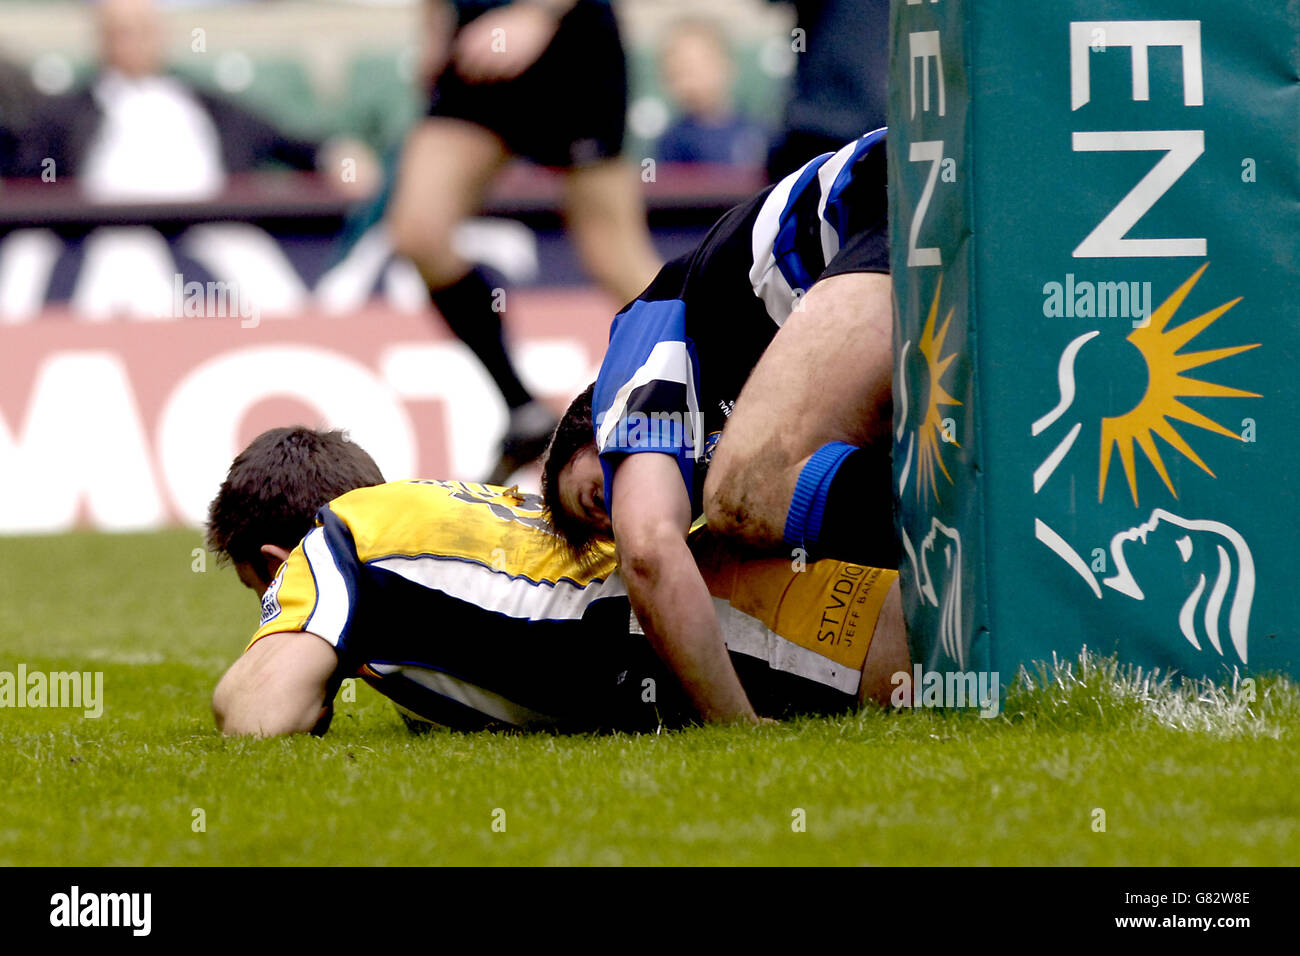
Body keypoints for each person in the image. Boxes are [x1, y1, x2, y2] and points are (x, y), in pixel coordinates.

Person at [206, 426, 907, 737]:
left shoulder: (337, 538)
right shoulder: (429, 518)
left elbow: (261, 719)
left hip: (800, 633)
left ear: (276, 562)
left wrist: (281, 663)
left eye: (259, 593)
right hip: (819, 577)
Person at [542, 131, 897, 726]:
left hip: (887, 199)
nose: (614, 519)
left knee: (742, 498)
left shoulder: (635, 357)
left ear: (596, 432)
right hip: (910, 208)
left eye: (593, 494)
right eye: (600, 529)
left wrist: (737, 727)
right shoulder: (720, 419)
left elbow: (650, 552)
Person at [386, 0, 663, 484]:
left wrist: (537, 13)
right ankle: (524, 410)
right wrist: (433, 32)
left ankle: (724, 393)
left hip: (568, 39)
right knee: (419, 230)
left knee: (613, 256)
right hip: (476, 38)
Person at [655, 19, 768, 167]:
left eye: (694, 69)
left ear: (726, 66)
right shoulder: (672, 142)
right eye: (676, 74)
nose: (688, 82)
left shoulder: (758, 134)